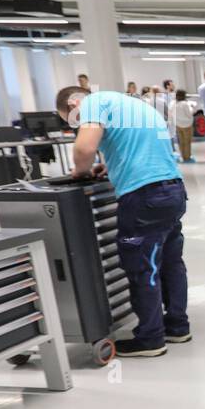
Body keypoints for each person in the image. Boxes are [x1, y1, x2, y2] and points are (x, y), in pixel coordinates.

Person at [56, 83, 190, 358]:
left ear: (73, 105)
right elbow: (139, 146)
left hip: (144, 198)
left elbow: (84, 149)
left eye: (72, 121)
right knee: (170, 262)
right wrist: (112, 164)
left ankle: (151, 339)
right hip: (172, 191)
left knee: (142, 264)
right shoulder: (131, 104)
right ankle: (177, 327)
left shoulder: (92, 103)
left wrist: (80, 172)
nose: (77, 125)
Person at [171, 88, 196, 163]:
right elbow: (189, 114)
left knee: (181, 141)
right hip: (187, 124)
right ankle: (187, 157)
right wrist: (192, 108)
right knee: (187, 141)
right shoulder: (185, 104)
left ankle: (183, 156)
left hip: (178, 124)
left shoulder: (173, 103)